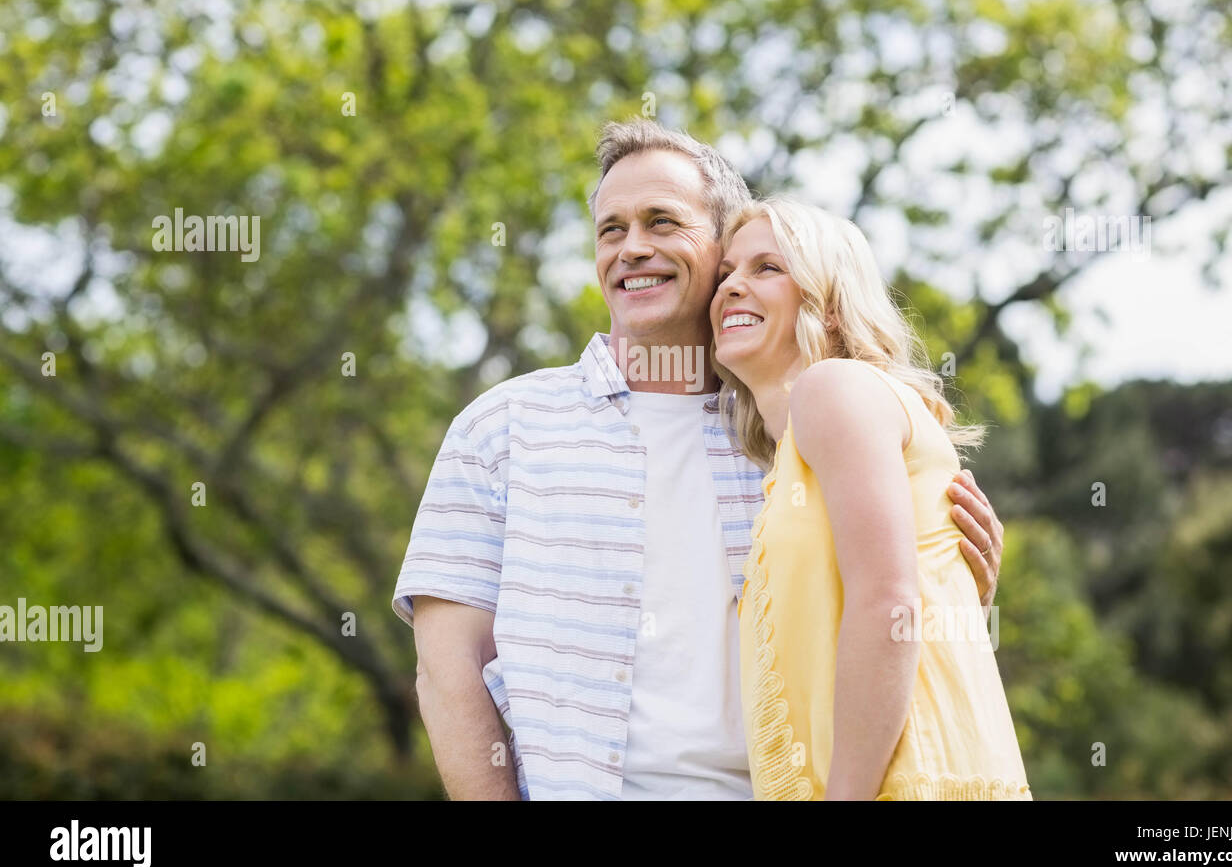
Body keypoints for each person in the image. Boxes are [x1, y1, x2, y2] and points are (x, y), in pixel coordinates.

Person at [391, 118, 1007, 800]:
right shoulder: (501, 430)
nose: (632, 249)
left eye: (661, 222)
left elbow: (883, 608)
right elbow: (448, 669)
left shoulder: (793, 434)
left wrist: (954, 579)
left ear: (723, 249)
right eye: (611, 230)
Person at [710, 195, 1031, 800]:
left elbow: (887, 601)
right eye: (726, 273)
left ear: (830, 307)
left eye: (766, 268)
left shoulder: (832, 388)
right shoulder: (794, 456)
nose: (730, 287)